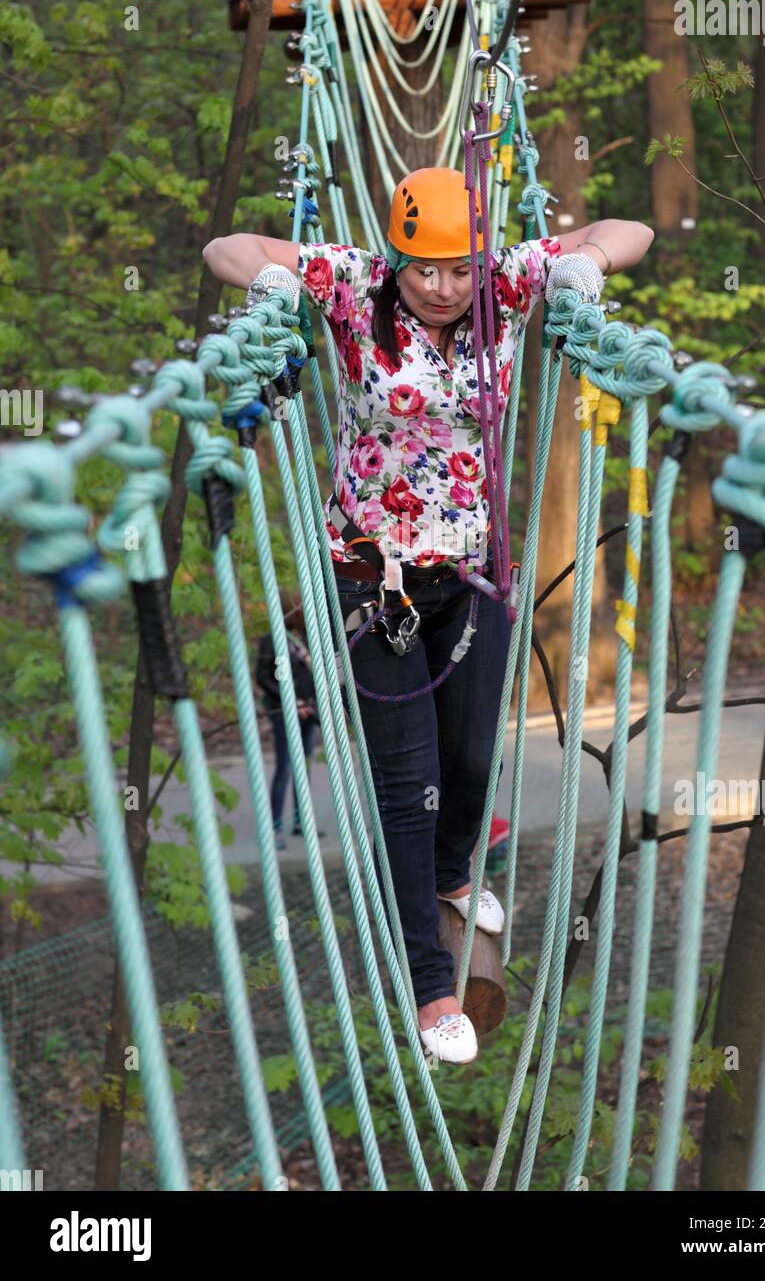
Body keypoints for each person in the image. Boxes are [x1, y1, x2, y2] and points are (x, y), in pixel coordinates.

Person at [203, 168, 653, 1062]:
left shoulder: (507, 285)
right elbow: (229, 247)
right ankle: (428, 985)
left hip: (476, 573)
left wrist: (584, 267)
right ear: (396, 257)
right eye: (424, 271)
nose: (444, 289)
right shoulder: (352, 282)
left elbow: (630, 224)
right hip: (370, 576)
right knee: (405, 786)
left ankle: (455, 873)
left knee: (477, 757)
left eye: (457, 270)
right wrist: (274, 285)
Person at [255, 595, 322, 849]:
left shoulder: (306, 639)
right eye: (299, 608)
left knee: (304, 766)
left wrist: (309, 703)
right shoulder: (272, 641)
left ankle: (300, 821)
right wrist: (292, 701)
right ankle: (275, 828)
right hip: (283, 711)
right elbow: (264, 677)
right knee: (284, 767)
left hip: (308, 712)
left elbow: (313, 674)